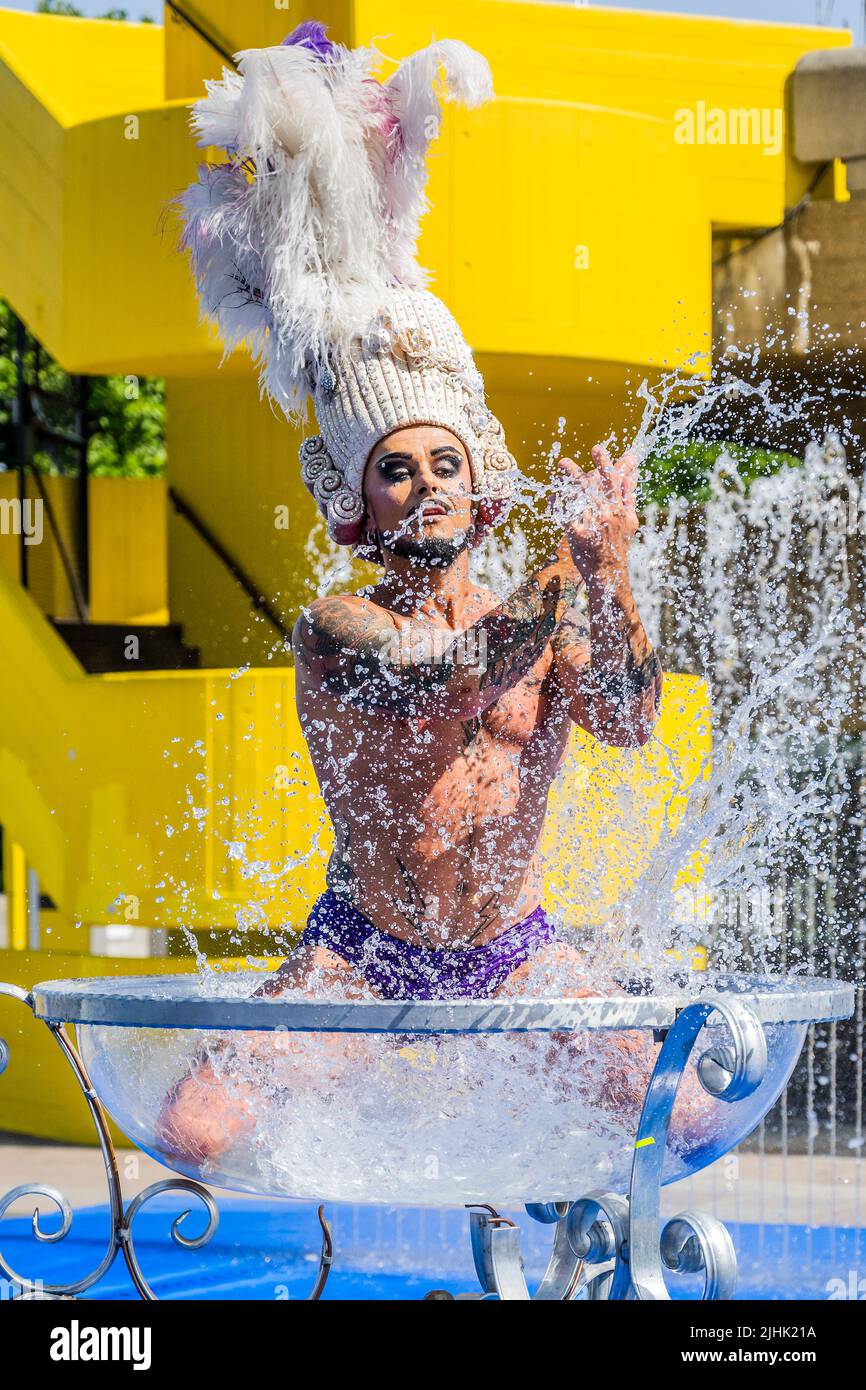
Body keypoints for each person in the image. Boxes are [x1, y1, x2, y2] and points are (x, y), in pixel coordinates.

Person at [156, 21, 707, 1167]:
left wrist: (613, 577)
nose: (424, 486)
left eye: (444, 463)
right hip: (367, 947)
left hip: (515, 948)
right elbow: (443, 681)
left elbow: (630, 719)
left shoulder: (546, 615)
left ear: (477, 485)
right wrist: (570, 566)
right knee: (194, 1131)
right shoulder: (336, 625)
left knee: (686, 1115)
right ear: (357, 502)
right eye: (396, 469)